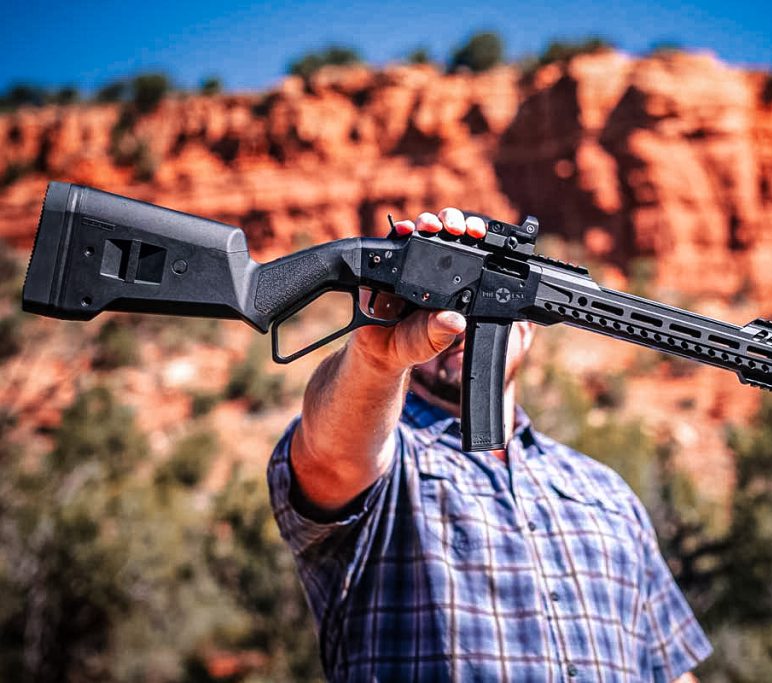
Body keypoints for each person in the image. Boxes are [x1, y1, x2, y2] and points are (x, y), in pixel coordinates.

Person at [267, 208, 712, 681]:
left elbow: (670, 671)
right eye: (442, 297)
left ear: (533, 320)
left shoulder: (607, 495)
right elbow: (330, 456)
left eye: (482, 295)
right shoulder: (390, 465)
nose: (459, 317)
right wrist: (375, 361)